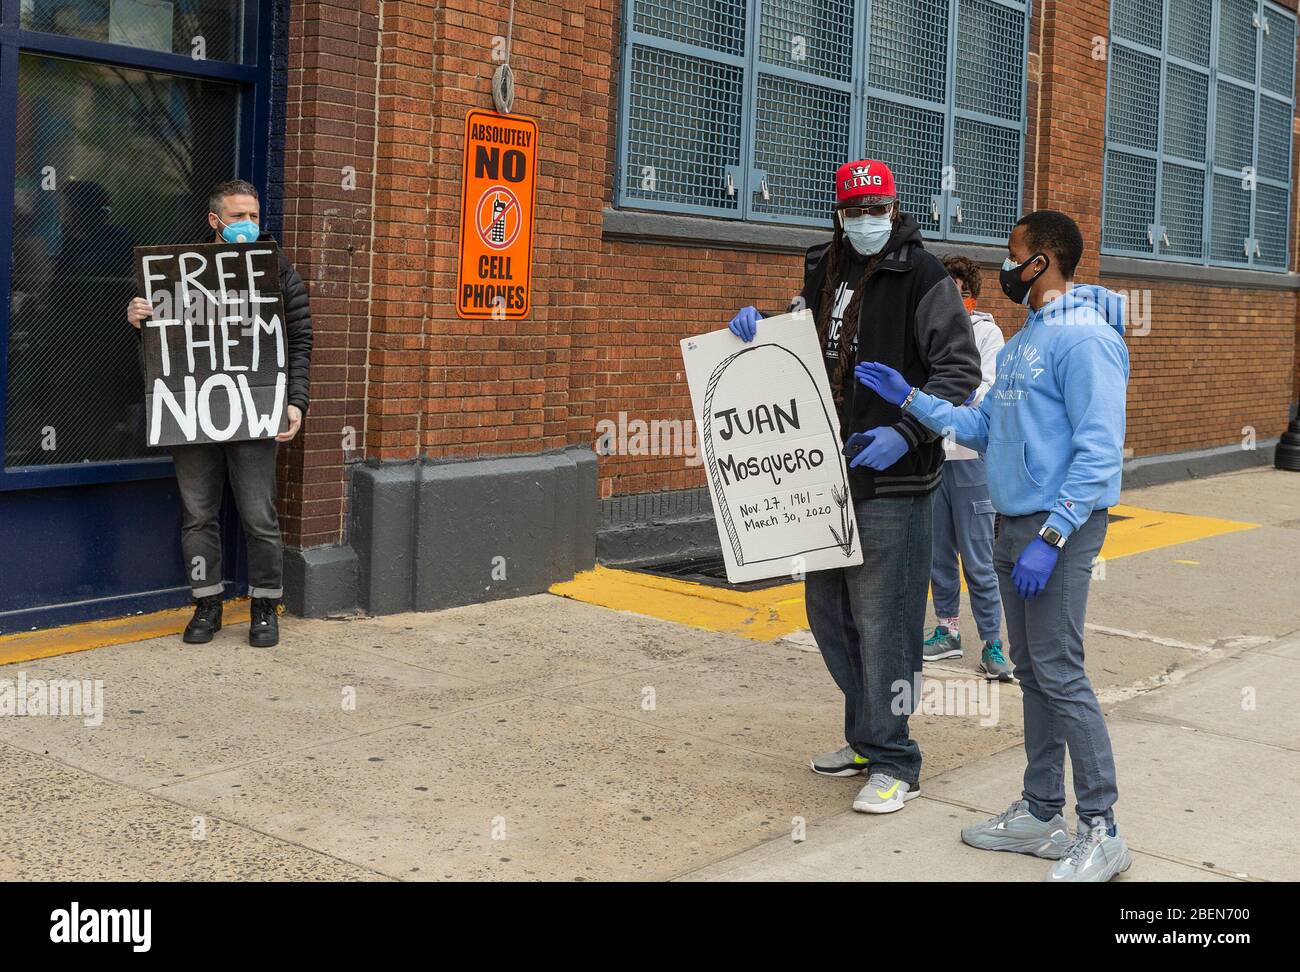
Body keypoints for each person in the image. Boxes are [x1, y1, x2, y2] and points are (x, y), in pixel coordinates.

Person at [856, 210, 1132, 881]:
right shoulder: (1020, 343)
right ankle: (1042, 812)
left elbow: (1098, 450)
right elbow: (981, 427)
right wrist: (914, 399)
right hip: (1011, 522)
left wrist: (1056, 533)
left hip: (1053, 529)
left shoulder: (1085, 337)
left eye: (1014, 254)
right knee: (1035, 673)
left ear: (1042, 262)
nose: (1005, 266)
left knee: (1061, 671)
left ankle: (1102, 827)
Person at [728, 160, 980, 814]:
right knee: (831, 616)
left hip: (893, 482)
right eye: (856, 210)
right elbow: (802, 341)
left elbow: (958, 373)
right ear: (838, 213)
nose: (868, 221)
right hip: (824, 477)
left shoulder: (922, 276)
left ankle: (896, 758)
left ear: (894, 208)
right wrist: (757, 328)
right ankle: (866, 736)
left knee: (885, 621)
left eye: (879, 209)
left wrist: (908, 431)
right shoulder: (825, 269)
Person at [125, 180, 313, 648]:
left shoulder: (277, 269)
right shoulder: (177, 271)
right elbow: (166, 345)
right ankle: (207, 604)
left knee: (259, 515)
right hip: (192, 410)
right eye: (237, 217)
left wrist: (295, 400)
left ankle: (264, 606)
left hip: (254, 409)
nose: (248, 225)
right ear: (215, 221)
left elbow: (300, 339)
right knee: (198, 514)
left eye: (253, 216)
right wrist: (139, 320)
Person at [923, 256, 1010, 681]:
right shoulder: (926, 329)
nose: (954, 300)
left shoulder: (989, 334)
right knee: (938, 553)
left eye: (961, 292)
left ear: (971, 295)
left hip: (972, 461)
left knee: (978, 559)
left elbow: (985, 392)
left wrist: (951, 389)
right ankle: (947, 630)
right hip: (934, 457)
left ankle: (993, 642)